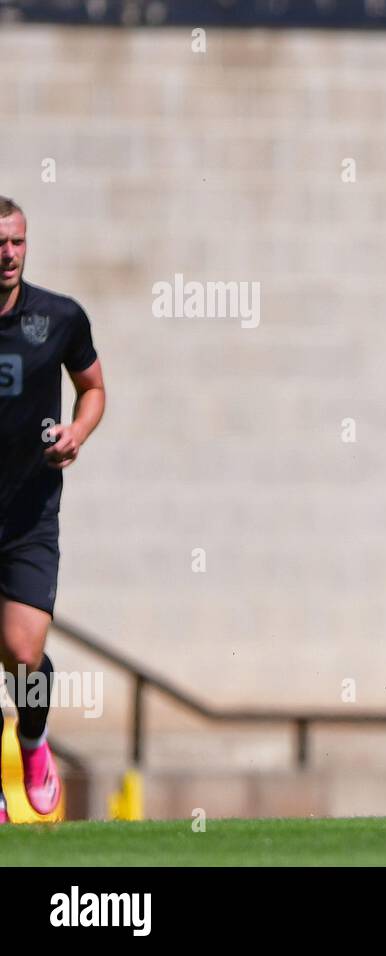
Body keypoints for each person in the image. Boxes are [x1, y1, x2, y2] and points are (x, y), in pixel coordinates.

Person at [0, 197, 106, 821]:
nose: (7, 254)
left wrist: (77, 432)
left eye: (16, 242)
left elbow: (93, 388)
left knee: (22, 653)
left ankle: (34, 741)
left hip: (29, 513)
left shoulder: (59, 317)